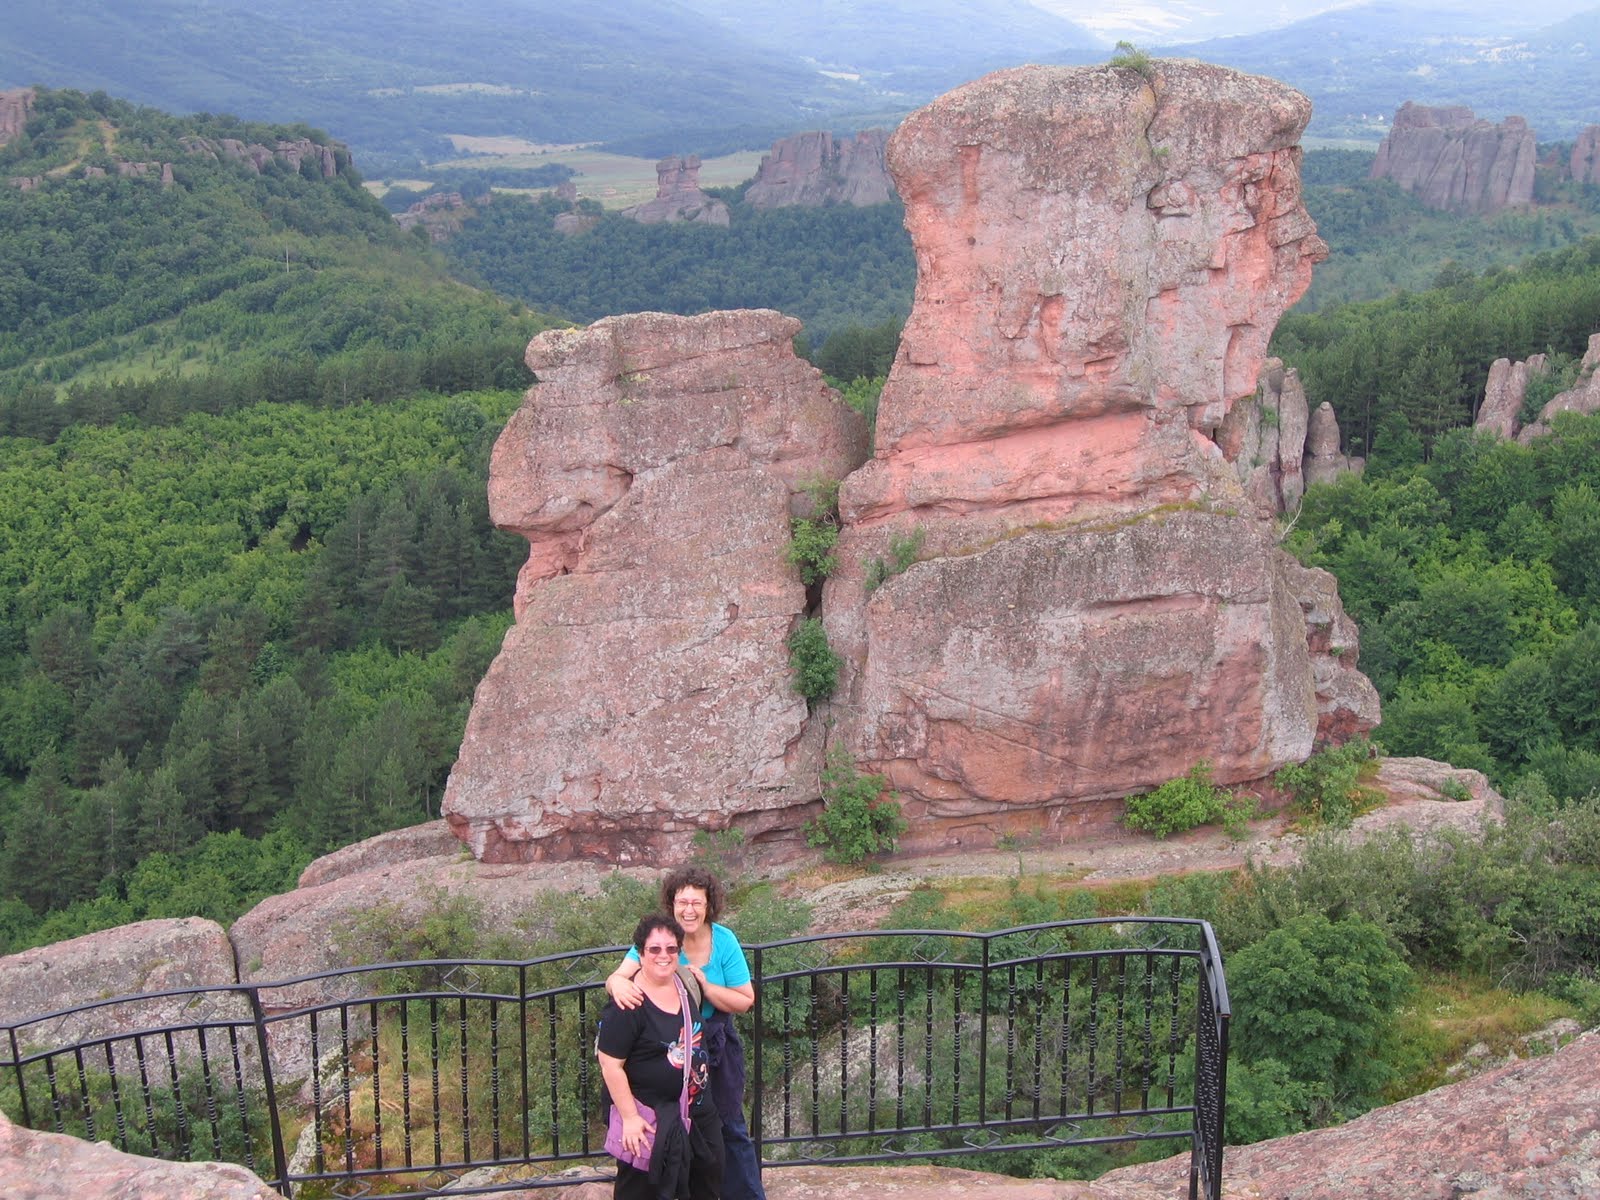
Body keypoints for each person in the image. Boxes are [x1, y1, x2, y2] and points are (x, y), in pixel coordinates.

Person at [606, 868, 766, 1200]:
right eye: (682, 902)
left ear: (709, 905)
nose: (689, 910)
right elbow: (619, 977)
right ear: (672, 904)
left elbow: (745, 1000)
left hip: (713, 1040)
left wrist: (705, 987)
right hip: (666, 1041)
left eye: (697, 902)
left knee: (729, 1124)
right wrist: (616, 983)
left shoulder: (723, 941)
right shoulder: (662, 938)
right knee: (678, 1126)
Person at [597, 912, 724, 1200]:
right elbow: (610, 1065)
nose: (663, 956)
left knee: (706, 1185)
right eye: (654, 949)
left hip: (697, 1114)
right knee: (642, 1191)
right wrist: (630, 1118)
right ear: (640, 953)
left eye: (671, 948)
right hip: (649, 1120)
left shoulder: (685, 985)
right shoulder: (628, 1003)